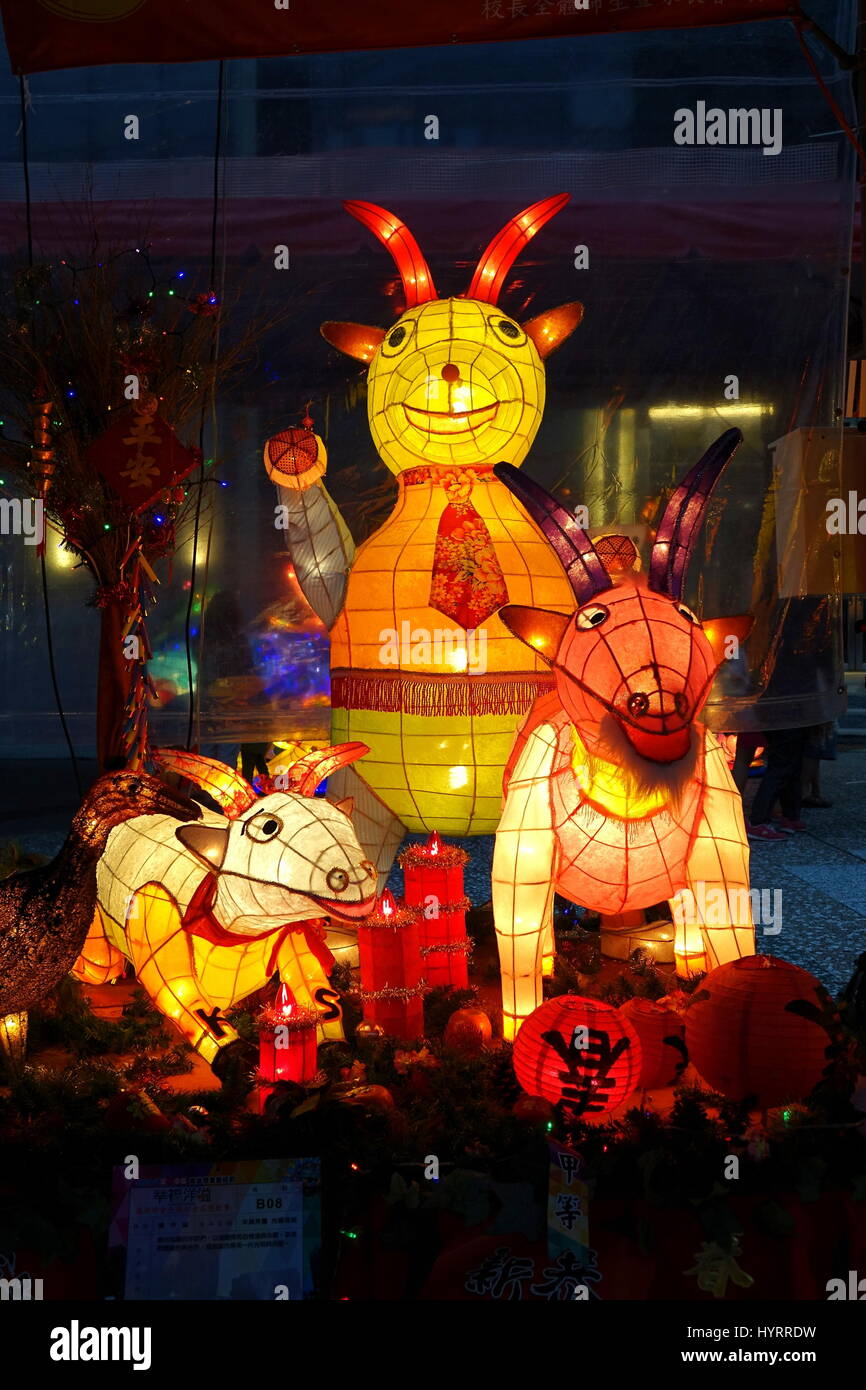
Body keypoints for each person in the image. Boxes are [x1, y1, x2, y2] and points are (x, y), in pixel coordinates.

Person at [747, 726, 809, 841]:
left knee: (791, 763)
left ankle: (790, 816)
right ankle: (758, 822)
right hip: (786, 717)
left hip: (784, 717)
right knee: (783, 763)